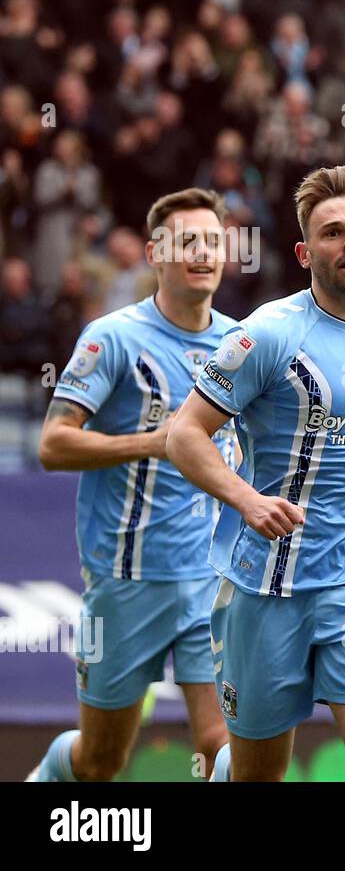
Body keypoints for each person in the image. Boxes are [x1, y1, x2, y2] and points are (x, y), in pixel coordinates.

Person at [165, 165, 345, 782]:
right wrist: (246, 501)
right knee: (259, 772)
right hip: (265, 588)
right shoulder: (266, 334)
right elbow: (185, 435)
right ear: (304, 250)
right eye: (333, 231)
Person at [28, 187, 239, 782]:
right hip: (124, 584)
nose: (203, 253)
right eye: (187, 242)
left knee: (220, 742)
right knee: (99, 763)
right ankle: (51, 770)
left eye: (214, 242)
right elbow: (53, 444)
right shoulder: (112, 338)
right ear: (155, 254)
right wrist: (153, 442)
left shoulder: (240, 343)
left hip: (212, 578)